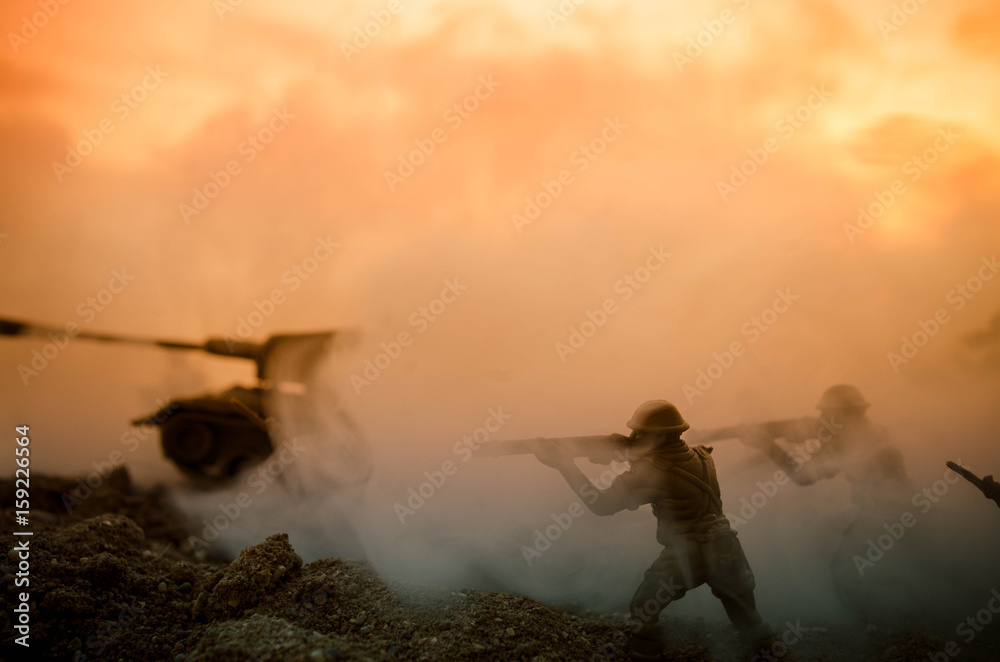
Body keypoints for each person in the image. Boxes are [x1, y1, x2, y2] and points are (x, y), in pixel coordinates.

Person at [533, 400, 774, 661]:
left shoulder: (651, 472)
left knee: (644, 608)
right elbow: (668, 459)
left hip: (688, 551)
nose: (635, 437)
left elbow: (600, 505)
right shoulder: (704, 456)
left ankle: (644, 655)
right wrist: (622, 453)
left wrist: (564, 464)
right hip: (727, 546)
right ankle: (770, 651)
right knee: (745, 613)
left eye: (641, 433)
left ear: (659, 436)